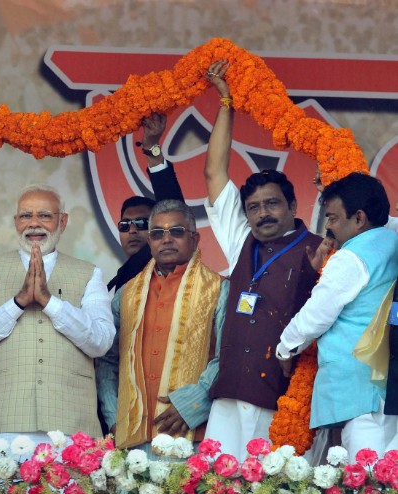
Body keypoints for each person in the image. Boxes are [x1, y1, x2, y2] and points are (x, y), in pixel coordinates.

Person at [200, 61, 326, 460]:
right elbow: (213, 172)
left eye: (272, 204)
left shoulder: (323, 249)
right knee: (216, 491)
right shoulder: (242, 242)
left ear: (293, 205)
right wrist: (225, 103)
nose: (261, 214)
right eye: (252, 207)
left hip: (282, 400)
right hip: (229, 391)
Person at [0, 184, 114, 444]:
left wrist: (49, 302)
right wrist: (17, 304)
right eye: (25, 216)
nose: (34, 224)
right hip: (1, 419)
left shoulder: (89, 272)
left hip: (70, 422)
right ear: (15, 222)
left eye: (44, 215)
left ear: (62, 222)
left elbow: (101, 341)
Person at [277, 172, 398, 458]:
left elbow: (317, 314)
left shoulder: (349, 257)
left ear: (358, 218)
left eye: (331, 217)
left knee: (367, 484)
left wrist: (284, 349)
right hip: (387, 387)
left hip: (358, 391)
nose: (328, 227)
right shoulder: (392, 243)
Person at [110, 200, 226, 450]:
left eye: (176, 232)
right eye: (157, 234)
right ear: (150, 242)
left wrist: (192, 405)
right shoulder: (127, 294)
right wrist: (112, 415)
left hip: (193, 434)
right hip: (133, 436)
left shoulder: (218, 288)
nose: (167, 239)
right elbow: (107, 360)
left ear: (194, 239)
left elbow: (229, 355)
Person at [97, 113, 186, 434]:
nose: (133, 231)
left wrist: (152, 149)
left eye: (142, 224)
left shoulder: (166, 265)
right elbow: (107, 359)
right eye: (125, 225)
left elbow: (171, 203)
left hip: (172, 416)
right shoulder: (113, 283)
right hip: (120, 414)